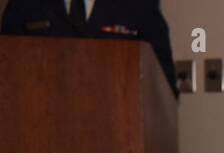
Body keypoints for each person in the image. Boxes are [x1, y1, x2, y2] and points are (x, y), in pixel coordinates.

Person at [1, 0, 179, 95]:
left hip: (119, 142)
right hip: (40, 138)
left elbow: (164, 87)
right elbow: (7, 74)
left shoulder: (137, 4)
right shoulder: (25, 4)